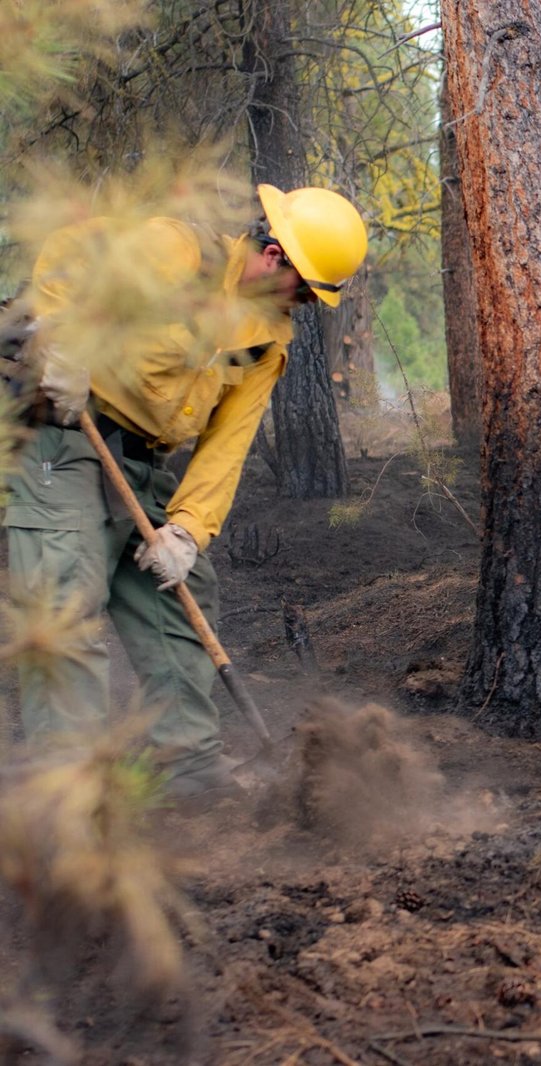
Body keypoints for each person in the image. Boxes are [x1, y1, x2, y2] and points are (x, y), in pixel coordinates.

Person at [6, 184, 368, 798]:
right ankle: (66, 792)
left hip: (137, 464)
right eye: (305, 289)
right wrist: (60, 341)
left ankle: (191, 770)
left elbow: (228, 444)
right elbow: (70, 258)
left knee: (180, 594)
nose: (306, 304)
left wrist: (186, 530)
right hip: (59, 432)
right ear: (275, 255)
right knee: (65, 599)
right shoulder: (178, 251)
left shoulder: (267, 340)